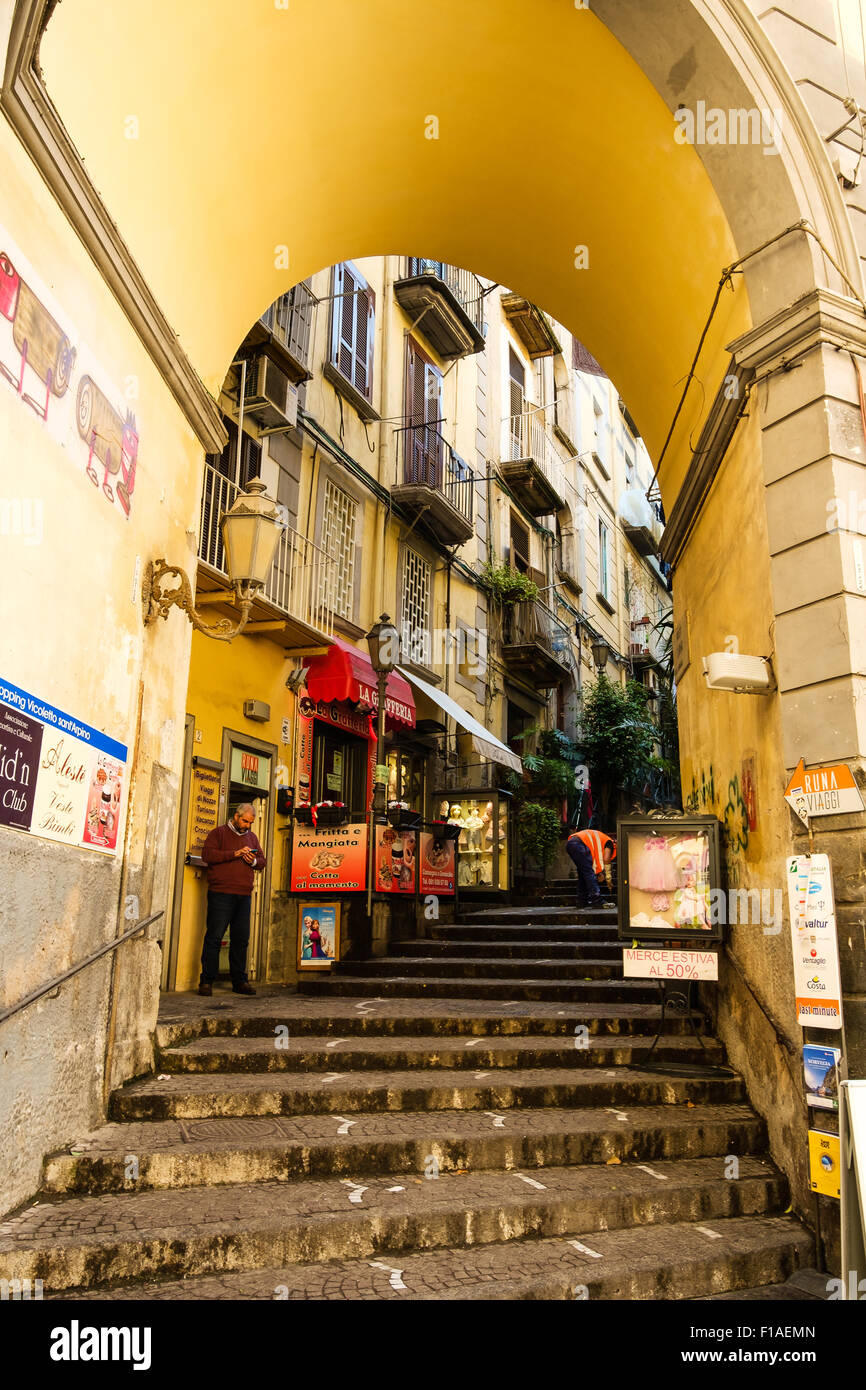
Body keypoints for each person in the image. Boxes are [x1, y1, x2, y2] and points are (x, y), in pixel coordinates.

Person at [198, 803, 266, 996]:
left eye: (250, 822)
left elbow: (262, 861)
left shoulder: (252, 837)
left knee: (241, 939)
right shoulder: (218, 833)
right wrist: (234, 854)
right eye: (245, 821)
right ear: (236, 816)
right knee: (214, 937)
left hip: (244, 895)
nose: (247, 826)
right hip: (221, 892)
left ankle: (239, 981)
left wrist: (251, 860)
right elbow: (208, 855)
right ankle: (207, 981)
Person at [566, 828, 616, 907]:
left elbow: (595, 856)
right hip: (579, 844)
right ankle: (597, 899)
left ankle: (581, 900)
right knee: (589, 872)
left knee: (583, 873)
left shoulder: (602, 838)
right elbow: (606, 859)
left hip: (572, 843)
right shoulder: (610, 843)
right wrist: (603, 874)